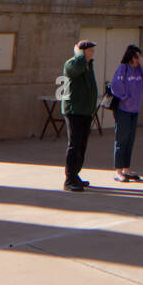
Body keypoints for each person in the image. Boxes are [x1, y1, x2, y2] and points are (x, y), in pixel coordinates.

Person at [109, 44, 143, 183]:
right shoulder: (123, 68)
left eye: (139, 57)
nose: (137, 60)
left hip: (135, 110)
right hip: (123, 110)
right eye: (136, 57)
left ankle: (127, 169)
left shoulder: (140, 70)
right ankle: (118, 171)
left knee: (130, 140)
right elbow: (115, 85)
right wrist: (126, 97)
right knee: (121, 140)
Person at [61, 40, 98, 192]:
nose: (92, 53)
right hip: (74, 111)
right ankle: (69, 179)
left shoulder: (89, 65)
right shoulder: (72, 64)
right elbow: (74, 71)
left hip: (86, 111)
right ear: (82, 52)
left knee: (82, 145)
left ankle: (75, 175)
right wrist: (79, 56)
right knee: (74, 145)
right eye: (90, 50)